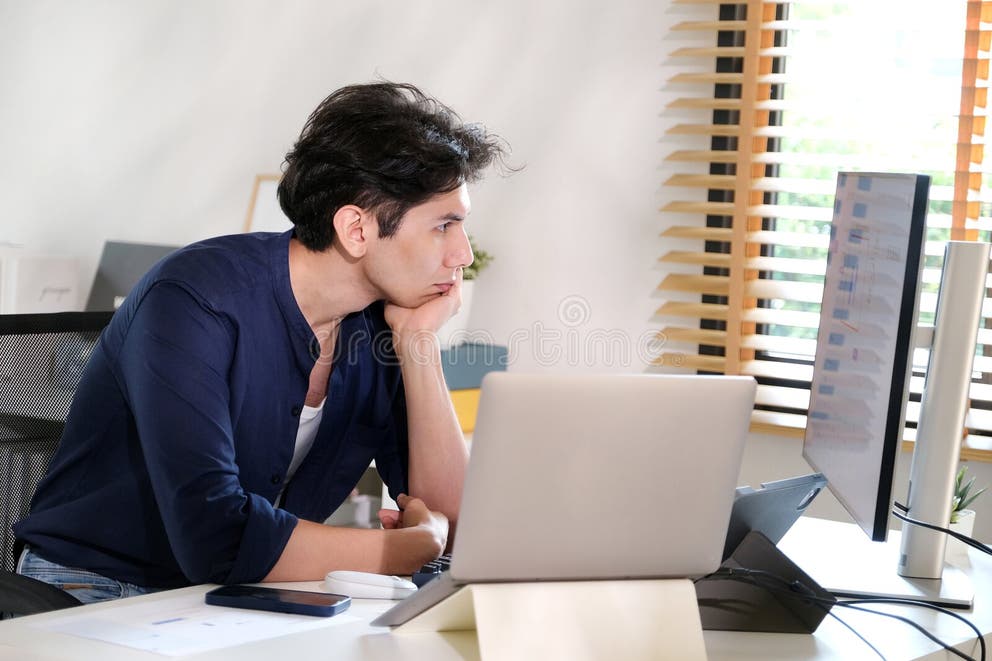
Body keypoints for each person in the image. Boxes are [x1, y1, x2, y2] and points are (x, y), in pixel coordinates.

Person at [13, 82, 507, 603]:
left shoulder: (380, 324)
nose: (462, 254)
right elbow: (216, 537)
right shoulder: (193, 300)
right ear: (356, 229)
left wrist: (418, 343)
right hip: (93, 588)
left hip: (235, 598)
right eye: (444, 226)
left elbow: (454, 525)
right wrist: (403, 550)